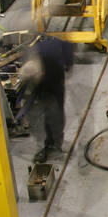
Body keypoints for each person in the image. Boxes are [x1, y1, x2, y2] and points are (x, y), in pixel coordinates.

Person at [29, 33, 74, 163]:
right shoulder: (39, 48)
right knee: (49, 109)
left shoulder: (49, 52)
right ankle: (52, 142)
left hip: (53, 80)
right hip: (47, 78)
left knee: (55, 112)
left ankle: (54, 144)